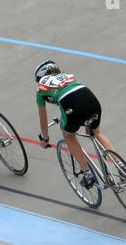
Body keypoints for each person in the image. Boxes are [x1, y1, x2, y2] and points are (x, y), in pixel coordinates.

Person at [34, 59, 113, 189]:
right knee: (95, 133)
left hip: (70, 103)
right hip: (89, 97)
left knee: (68, 135)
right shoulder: (67, 76)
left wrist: (45, 138)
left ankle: (88, 174)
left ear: (40, 77)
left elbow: (43, 120)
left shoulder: (40, 89)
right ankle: (120, 166)